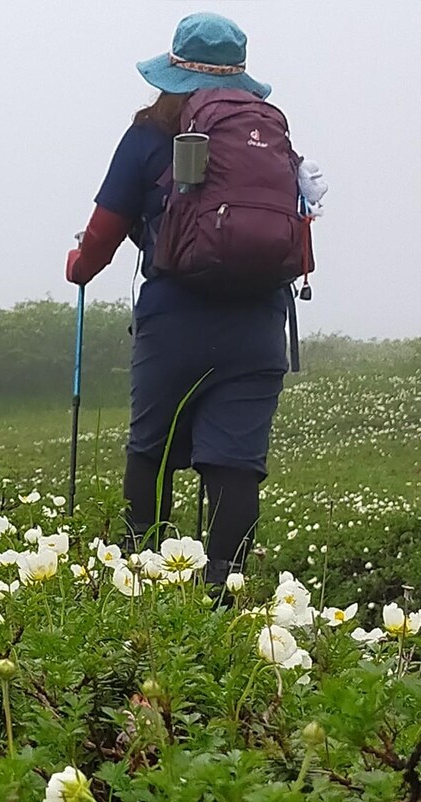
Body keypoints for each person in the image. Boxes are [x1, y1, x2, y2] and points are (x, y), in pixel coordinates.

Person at [65, 12, 323, 590]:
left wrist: (78, 266)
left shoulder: (149, 137)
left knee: (152, 452)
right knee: (235, 465)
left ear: (172, 73)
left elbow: (102, 237)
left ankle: (141, 585)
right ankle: (220, 604)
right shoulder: (270, 138)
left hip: (175, 321)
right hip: (260, 322)